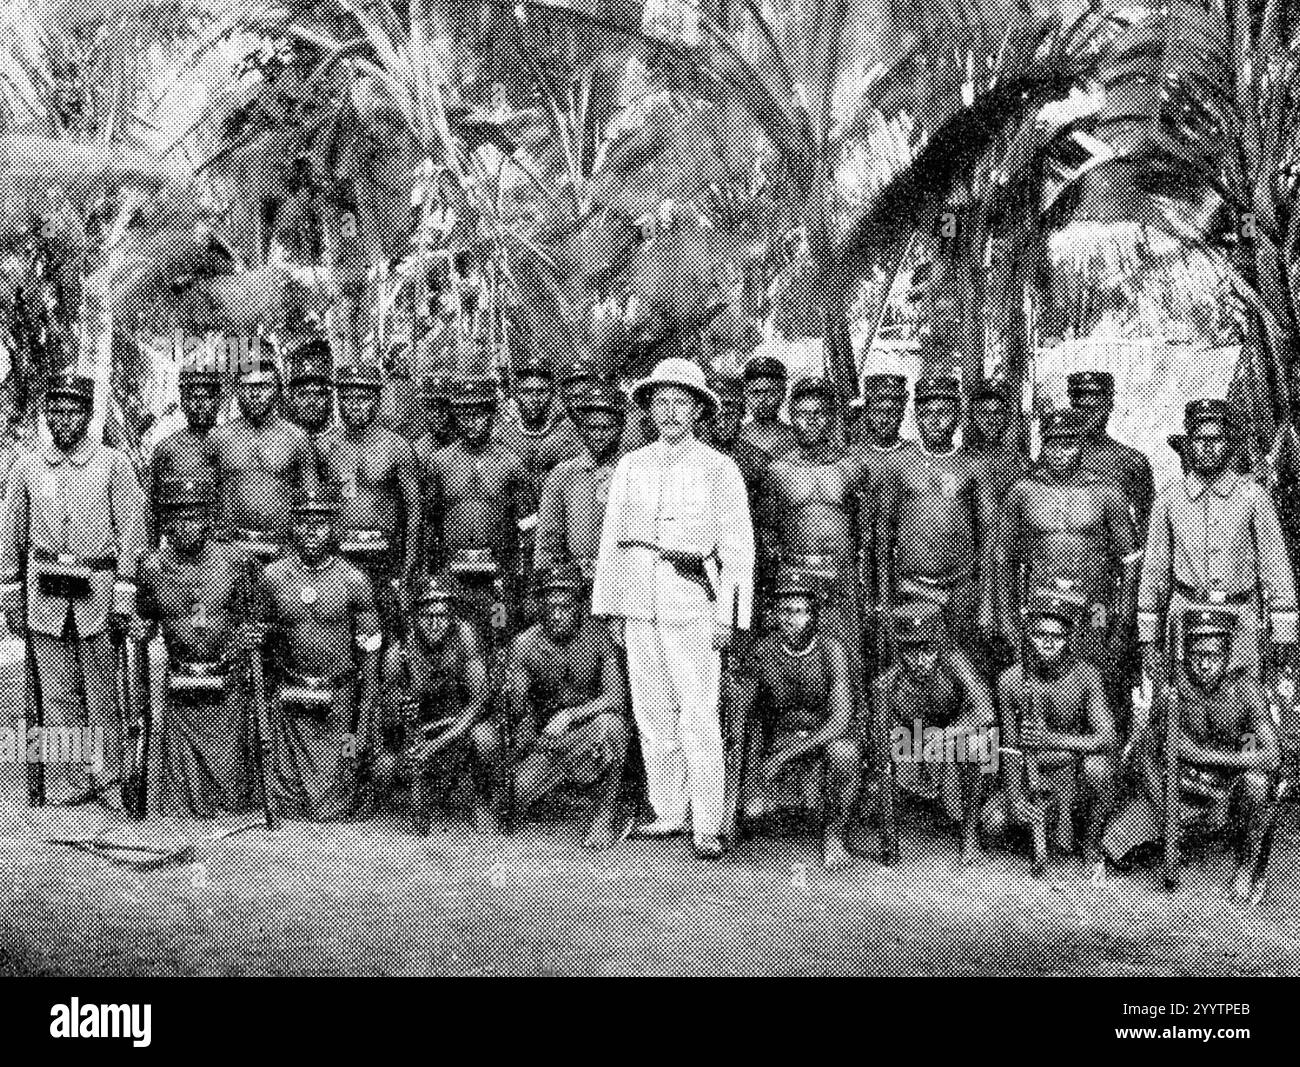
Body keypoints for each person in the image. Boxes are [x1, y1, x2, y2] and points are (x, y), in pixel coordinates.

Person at [593, 357, 755, 859]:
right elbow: (613, 541)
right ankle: (669, 810)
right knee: (652, 710)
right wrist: (615, 608)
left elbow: (738, 545)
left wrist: (730, 615)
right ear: (648, 409)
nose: (669, 412)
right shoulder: (632, 466)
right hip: (639, 598)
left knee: (699, 710)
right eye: (660, 402)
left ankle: (707, 819)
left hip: (692, 599)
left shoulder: (719, 468)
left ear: (698, 410)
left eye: (680, 402)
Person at [0, 374, 148, 807]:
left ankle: (106, 776)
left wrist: (123, 590)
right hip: (44, 591)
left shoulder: (113, 464)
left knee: (102, 688)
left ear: (89, 414)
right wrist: (9, 588)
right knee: (57, 692)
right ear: (46, 415)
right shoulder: (28, 465)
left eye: (75, 411)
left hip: (97, 590)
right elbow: (10, 533)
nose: (65, 420)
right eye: (57, 411)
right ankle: (71, 779)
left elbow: (132, 532)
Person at [1103, 609, 1282, 902]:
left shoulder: (1247, 692)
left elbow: (1271, 756)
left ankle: (1249, 864)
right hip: (1180, 792)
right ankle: (1178, 835)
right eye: (1197, 655)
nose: (1204, 664)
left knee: (1257, 784)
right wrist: (1165, 812)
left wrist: (1201, 754)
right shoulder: (1173, 691)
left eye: (1213, 656)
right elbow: (1144, 751)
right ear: (1186, 652)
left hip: (1227, 790)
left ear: (1227, 655)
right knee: (1114, 845)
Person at [1137, 399, 1297, 692]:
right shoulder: (1170, 498)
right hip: (1185, 619)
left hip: (1242, 620)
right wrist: (1148, 638)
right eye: (1200, 438)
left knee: (1242, 719)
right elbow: (1154, 572)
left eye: (1217, 439)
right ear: (1189, 441)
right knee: (1187, 715)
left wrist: (1284, 631)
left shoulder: (1254, 497)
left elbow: (1275, 566)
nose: (1208, 447)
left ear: (1229, 442)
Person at [253, 487, 382, 820]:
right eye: (304, 522)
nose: (312, 531)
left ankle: (347, 768)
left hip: (339, 698)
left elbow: (371, 651)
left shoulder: (355, 580)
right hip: (289, 699)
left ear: (334, 526)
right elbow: (261, 642)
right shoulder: (272, 576)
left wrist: (362, 719)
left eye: (321, 522)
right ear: (292, 525)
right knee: (286, 799)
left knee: (341, 791)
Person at [998, 409, 1140, 699]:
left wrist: (1124, 620)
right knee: (1040, 685)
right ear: (1043, 444)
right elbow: (1004, 560)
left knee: (1097, 675)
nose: (1061, 452)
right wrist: (1008, 619)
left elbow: (1131, 560)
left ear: (1082, 444)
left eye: (1069, 443)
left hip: (1095, 608)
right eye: (1053, 444)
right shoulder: (1023, 491)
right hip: (1040, 605)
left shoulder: (1107, 492)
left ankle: (1097, 741)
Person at [489, 562, 633, 848]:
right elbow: (517, 711)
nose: (556, 614)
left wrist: (571, 714)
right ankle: (552, 794)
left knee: (613, 725)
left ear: (578, 605)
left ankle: (606, 813)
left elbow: (617, 698)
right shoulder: (525, 643)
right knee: (509, 799)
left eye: (565, 606)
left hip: (590, 732)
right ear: (540, 605)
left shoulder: (598, 637)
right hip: (548, 742)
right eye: (550, 606)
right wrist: (513, 693)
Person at [135, 476, 253, 817]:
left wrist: (245, 638)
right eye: (178, 517)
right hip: (182, 683)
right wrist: (142, 628)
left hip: (227, 682)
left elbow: (253, 616)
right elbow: (146, 620)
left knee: (231, 794)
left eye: (195, 516)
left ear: (209, 519)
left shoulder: (235, 562)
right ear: (166, 523)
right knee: (184, 803)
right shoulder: (152, 566)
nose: (187, 525)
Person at [982, 580, 1118, 872]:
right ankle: (1035, 825)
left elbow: (1107, 738)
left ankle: (1091, 839)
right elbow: (1007, 747)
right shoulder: (1009, 680)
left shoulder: (1086, 676)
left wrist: (1051, 738)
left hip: (1071, 772)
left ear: (1069, 638)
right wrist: (1016, 796)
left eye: (1056, 636)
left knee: (1100, 770)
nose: (1047, 643)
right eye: (1040, 635)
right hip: (1029, 774)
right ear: (1028, 636)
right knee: (992, 823)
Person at [737, 567, 860, 870]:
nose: (793, 619)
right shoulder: (764, 651)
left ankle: (834, 836)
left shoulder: (832, 650)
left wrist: (789, 754)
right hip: (781, 738)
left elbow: (841, 719)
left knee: (845, 755)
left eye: (802, 611)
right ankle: (775, 798)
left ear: (814, 615)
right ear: (776, 615)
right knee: (753, 813)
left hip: (823, 738)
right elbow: (745, 712)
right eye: (786, 611)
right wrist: (753, 771)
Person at [875, 376, 999, 669]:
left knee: (958, 669)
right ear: (916, 415)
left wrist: (985, 603)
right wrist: (882, 597)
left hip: (960, 590)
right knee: (913, 670)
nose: (935, 421)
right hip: (909, 589)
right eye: (928, 413)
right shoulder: (900, 466)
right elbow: (882, 540)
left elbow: (989, 538)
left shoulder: (975, 465)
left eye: (944, 413)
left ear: (957, 415)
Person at [758, 377, 868, 679]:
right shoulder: (777, 470)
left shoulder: (852, 467)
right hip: (797, 578)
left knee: (848, 656)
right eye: (803, 413)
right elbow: (767, 532)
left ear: (830, 416)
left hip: (842, 578)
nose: (811, 421)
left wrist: (855, 570)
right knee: (803, 661)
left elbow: (864, 528)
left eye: (819, 413)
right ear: (792, 414)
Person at [871, 601, 996, 865]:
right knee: (886, 751)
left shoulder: (954, 663)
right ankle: (891, 835)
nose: (919, 660)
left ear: (937, 643)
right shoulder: (887, 683)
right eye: (910, 651)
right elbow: (881, 738)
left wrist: (945, 735)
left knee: (983, 743)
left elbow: (986, 712)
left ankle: (969, 832)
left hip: (952, 735)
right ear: (900, 649)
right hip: (914, 740)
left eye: (927, 649)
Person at [378, 572, 491, 833]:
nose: (434, 623)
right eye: (427, 616)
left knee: (485, 739)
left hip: (458, 725)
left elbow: (480, 700)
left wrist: (437, 743)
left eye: (441, 615)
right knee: (383, 769)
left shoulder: (465, 638)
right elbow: (386, 715)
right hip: (420, 730)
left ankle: (482, 798)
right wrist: (400, 712)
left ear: (451, 615)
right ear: (416, 617)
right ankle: (415, 792)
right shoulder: (399, 653)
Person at [314, 364, 422, 630]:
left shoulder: (396, 447)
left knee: (385, 636)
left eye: (363, 397)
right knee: (340, 633)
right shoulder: (324, 445)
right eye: (348, 397)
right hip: (339, 557)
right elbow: (313, 509)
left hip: (384, 560)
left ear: (377, 398)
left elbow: (414, 515)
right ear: (338, 399)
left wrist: (406, 573)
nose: (355, 405)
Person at [422, 376, 530, 641]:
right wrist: (432, 571)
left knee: (500, 638)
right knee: (458, 641)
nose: (471, 421)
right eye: (463, 413)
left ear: (491, 412)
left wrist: (520, 577)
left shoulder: (511, 464)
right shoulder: (440, 463)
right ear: (454, 415)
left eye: (479, 413)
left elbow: (527, 526)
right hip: (454, 578)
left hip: (497, 581)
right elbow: (429, 522)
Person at [205, 352, 320, 560]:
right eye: (248, 387)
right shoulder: (218, 437)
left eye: (263, 387)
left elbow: (310, 502)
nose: (255, 394)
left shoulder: (296, 438)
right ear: (237, 391)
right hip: (231, 549)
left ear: (277, 391)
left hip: (282, 548)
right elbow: (204, 498)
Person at [497, 354, 584, 603]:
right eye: (527, 390)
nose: (534, 397)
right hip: (512, 533)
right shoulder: (502, 433)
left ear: (552, 392)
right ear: (516, 392)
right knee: (503, 605)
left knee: (550, 600)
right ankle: (502, 637)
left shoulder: (568, 433)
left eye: (541, 390)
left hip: (554, 533)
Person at [534, 382, 627, 578]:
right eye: (592, 427)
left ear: (620, 427)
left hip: (622, 579)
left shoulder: (632, 472)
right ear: (581, 428)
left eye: (607, 427)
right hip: (574, 582)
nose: (599, 435)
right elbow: (549, 537)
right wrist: (549, 576)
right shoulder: (563, 475)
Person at [1068, 371, 1155, 542]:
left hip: (1116, 563)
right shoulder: (1055, 459)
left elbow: (1148, 525)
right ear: (1072, 405)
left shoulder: (1132, 461)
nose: (1087, 415)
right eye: (1081, 408)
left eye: (1094, 408)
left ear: (1110, 404)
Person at [147, 364, 221, 545]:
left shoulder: (232, 444)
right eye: (193, 397)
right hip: (179, 549)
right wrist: (152, 550)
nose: (200, 404)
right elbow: (152, 507)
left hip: (222, 552)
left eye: (207, 396)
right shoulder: (166, 449)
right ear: (182, 401)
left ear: (218, 400)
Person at [966, 376, 1028, 505]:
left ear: (1007, 416)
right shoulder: (960, 460)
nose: (990, 420)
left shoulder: (1021, 464)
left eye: (998, 412)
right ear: (973, 416)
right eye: (983, 413)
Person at [737, 354, 797, 460]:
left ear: (783, 393)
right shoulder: (736, 438)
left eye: (772, 392)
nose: (763, 400)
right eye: (756, 392)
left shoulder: (796, 437)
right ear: (745, 393)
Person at [281, 340, 335, 442]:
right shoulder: (280, 443)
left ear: (329, 397)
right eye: (303, 394)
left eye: (319, 394)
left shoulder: (339, 446)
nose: (311, 402)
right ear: (291, 397)